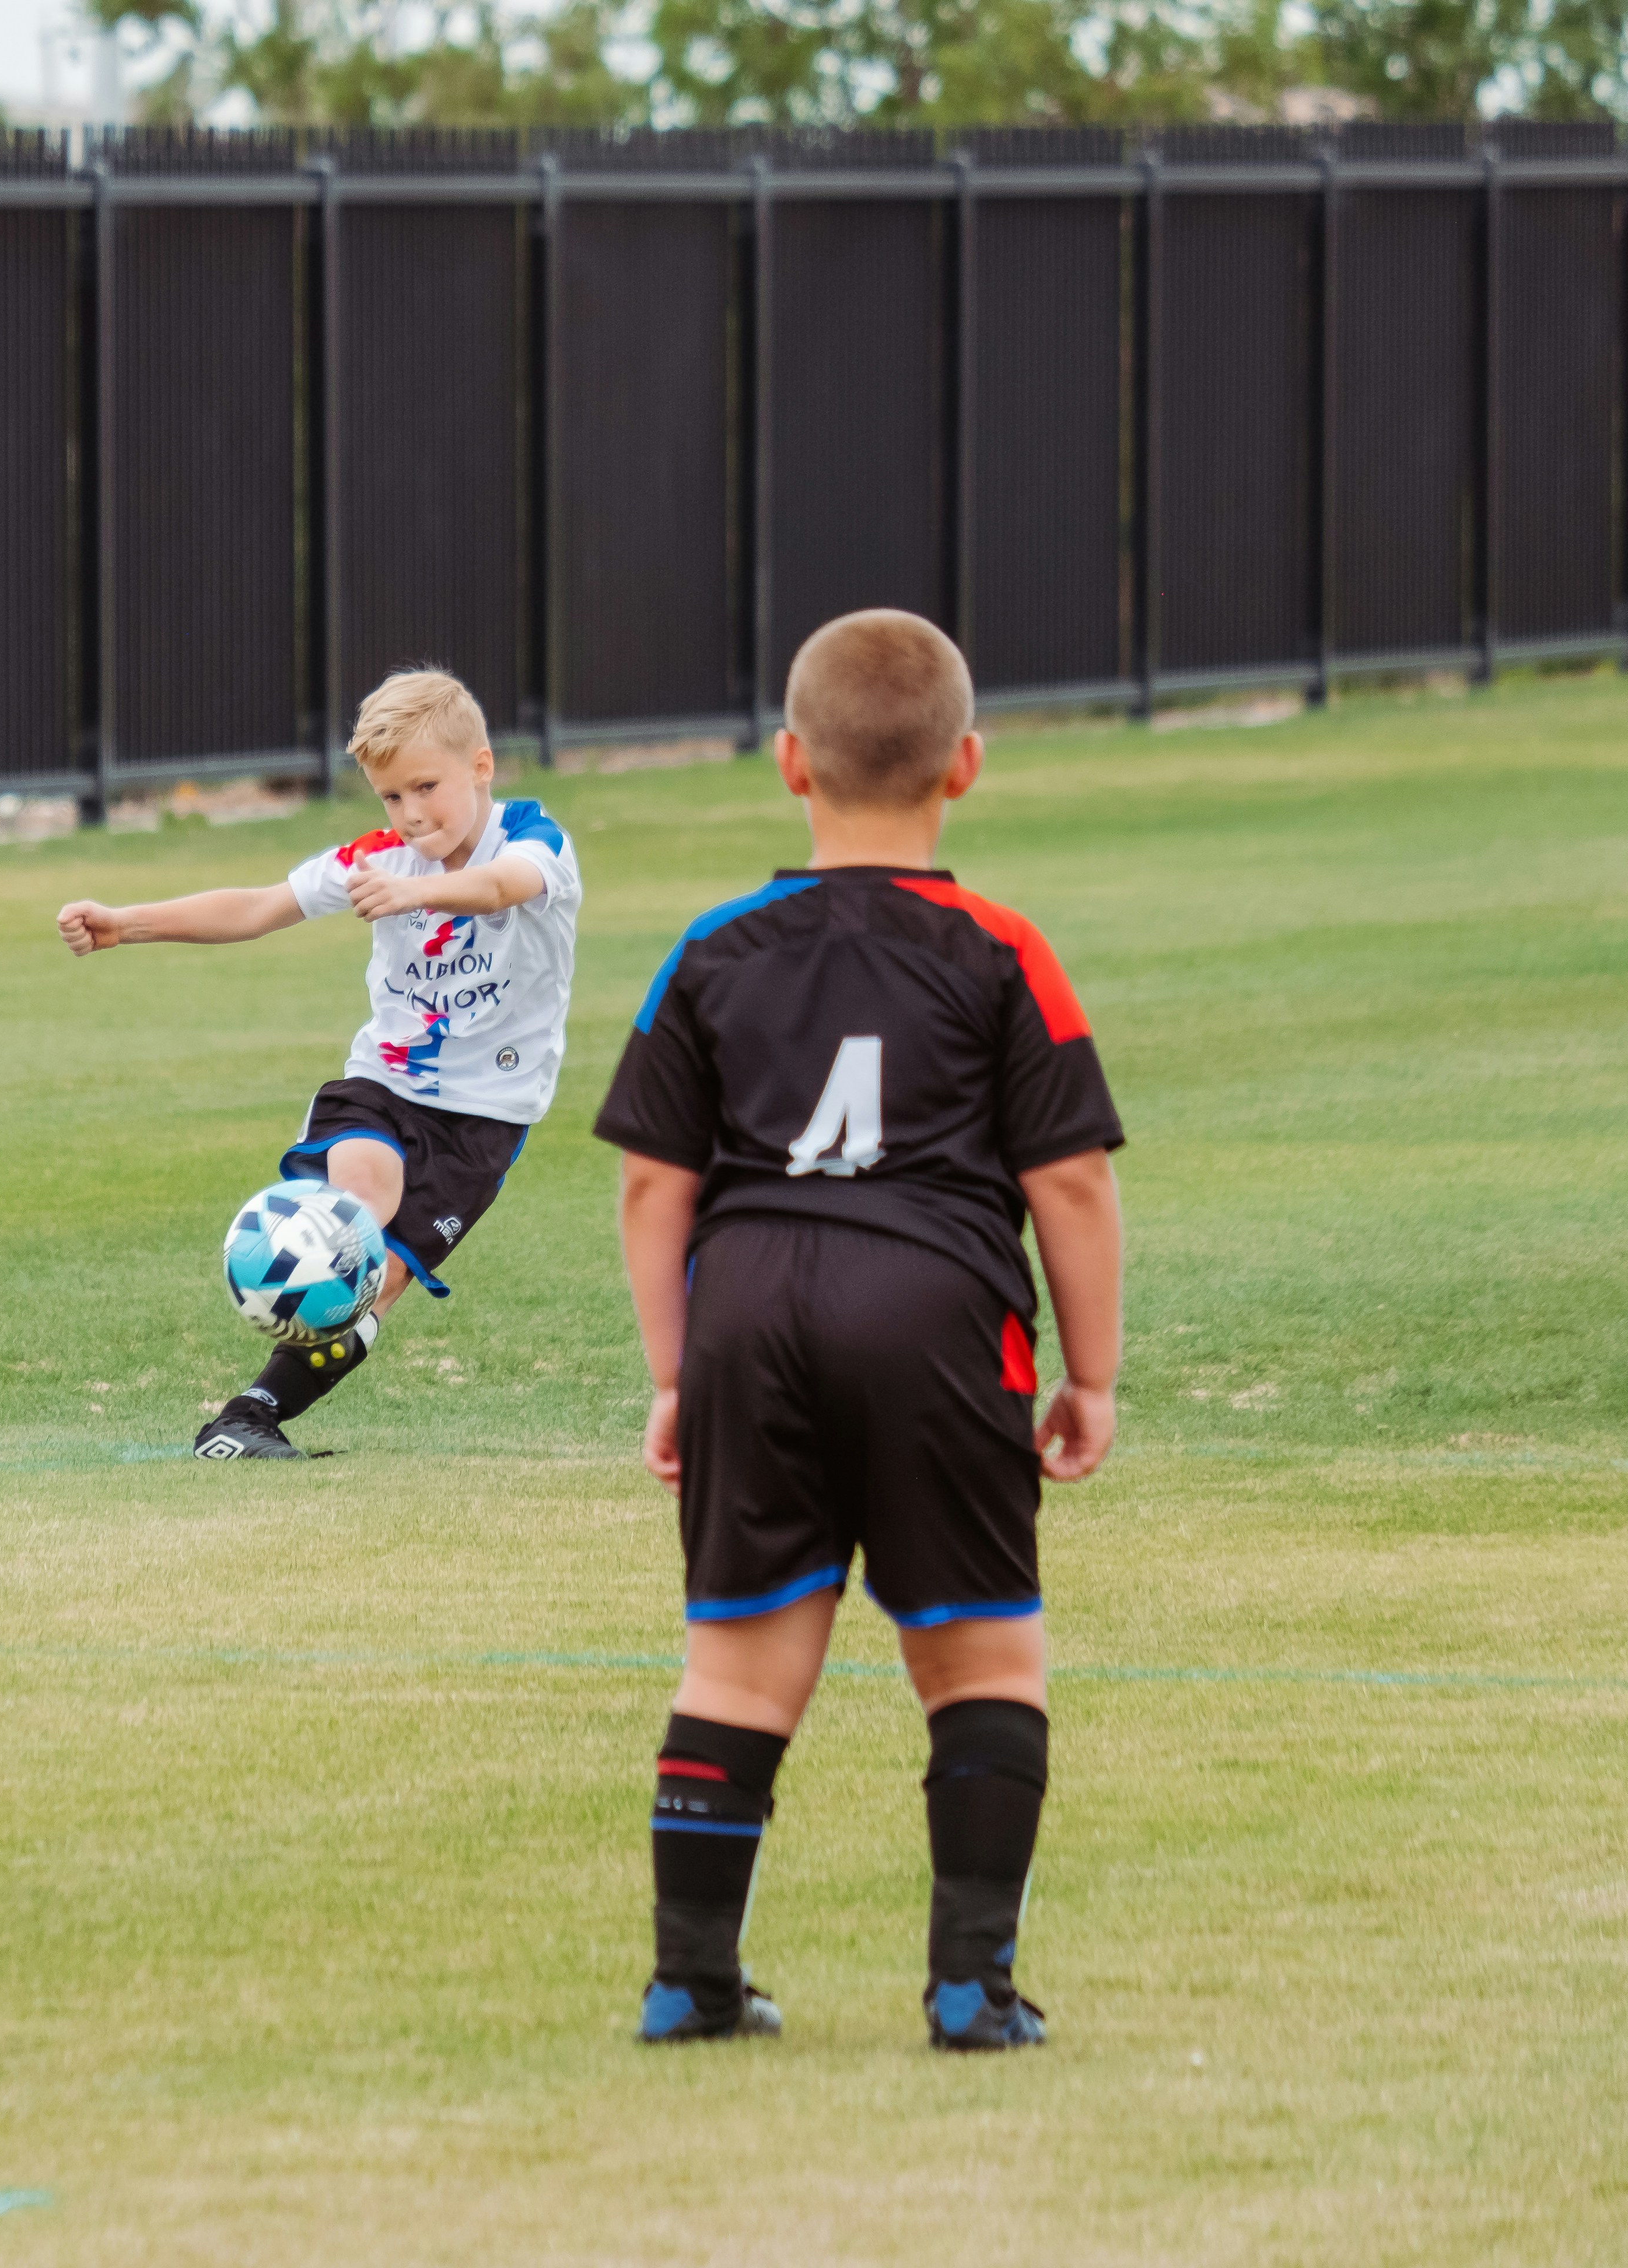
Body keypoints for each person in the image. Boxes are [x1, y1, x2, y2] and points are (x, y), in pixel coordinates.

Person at [591, 608, 1125, 2051]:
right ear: (966, 764)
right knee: (984, 1663)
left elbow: (654, 1178)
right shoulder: (1006, 950)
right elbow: (1067, 1176)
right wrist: (1090, 1375)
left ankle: (689, 1982)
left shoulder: (712, 948)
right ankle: (971, 1988)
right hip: (941, 1314)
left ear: (787, 764)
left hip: (752, 1314)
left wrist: (672, 1371)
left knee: (739, 1668)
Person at [57, 667, 582, 1458]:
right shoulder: (379, 856)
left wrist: (420, 898)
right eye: (389, 798)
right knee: (358, 1215)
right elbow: (259, 905)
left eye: (425, 788)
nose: (408, 815)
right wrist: (125, 924)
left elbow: (505, 886)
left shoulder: (534, 839)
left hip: (485, 1116)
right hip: (382, 1085)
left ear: (480, 767)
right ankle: (245, 1407)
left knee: (382, 1280)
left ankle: (254, 1410)